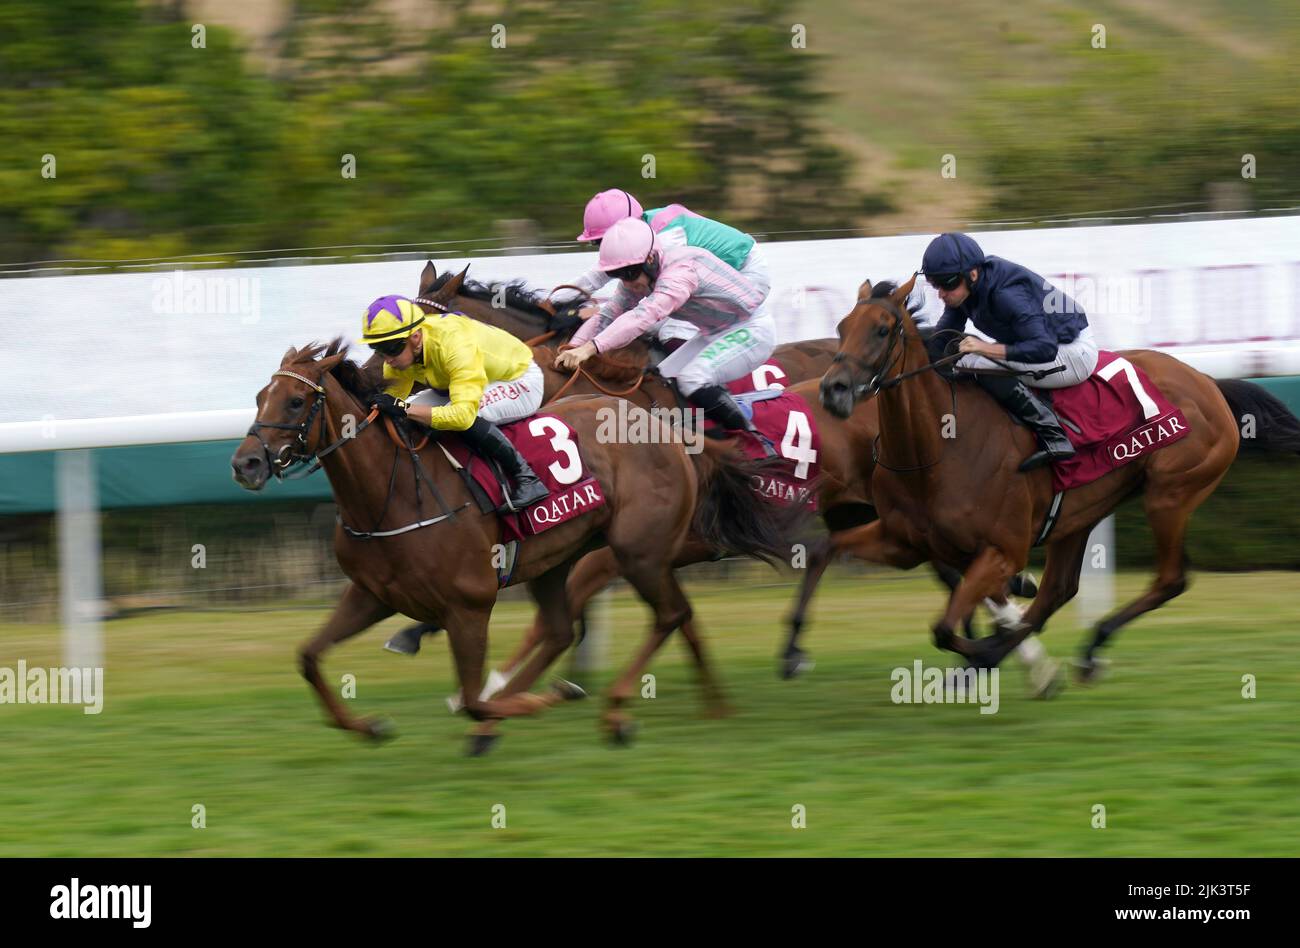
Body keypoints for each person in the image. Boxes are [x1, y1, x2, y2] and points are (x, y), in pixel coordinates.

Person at [554, 217, 775, 438]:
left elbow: (643, 316)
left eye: (629, 274)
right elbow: (609, 314)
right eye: (617, 275)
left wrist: (589, 349)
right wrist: (573, 346)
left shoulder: (681, 272)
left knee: (692, 379)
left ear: (650, 259)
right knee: (660, 380)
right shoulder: (641, 274)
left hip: (752, 330)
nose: (627, 283)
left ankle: (754, 440)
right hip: (713, 333)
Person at [920, 232, 1098, 470]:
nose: (941, 293)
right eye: (935, 285)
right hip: (1046, 345)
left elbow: (1043, 349)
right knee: (965, 356)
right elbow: (942, 338)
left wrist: (986, 349)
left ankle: (1053, 434)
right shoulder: (968, 288)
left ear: (972, 274)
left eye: (947, 284)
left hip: (1072, 352)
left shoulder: (1006, 293)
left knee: (976, 362)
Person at [360, 294, 550, 510]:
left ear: (415, 337)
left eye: (391, 348)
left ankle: (527, 477)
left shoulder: (454, 344)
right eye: (378, 348)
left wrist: (404, 409)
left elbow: (462, 416)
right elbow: (394, 402)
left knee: (458, 415)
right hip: (462, 384)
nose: (387, 359)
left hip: (519, 379)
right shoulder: (400, 353)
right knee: (410, 410)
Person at [568, 189, 773, 352]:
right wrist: (550, 302)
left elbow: (642, 307)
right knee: (636, 327)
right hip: (710, 280)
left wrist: (589, 340)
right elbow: (600, 280)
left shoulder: (666, 240)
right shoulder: (642, 233)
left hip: (746, 275)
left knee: (667, 330)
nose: (606, 247)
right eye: (597, 243)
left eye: (603, 240)